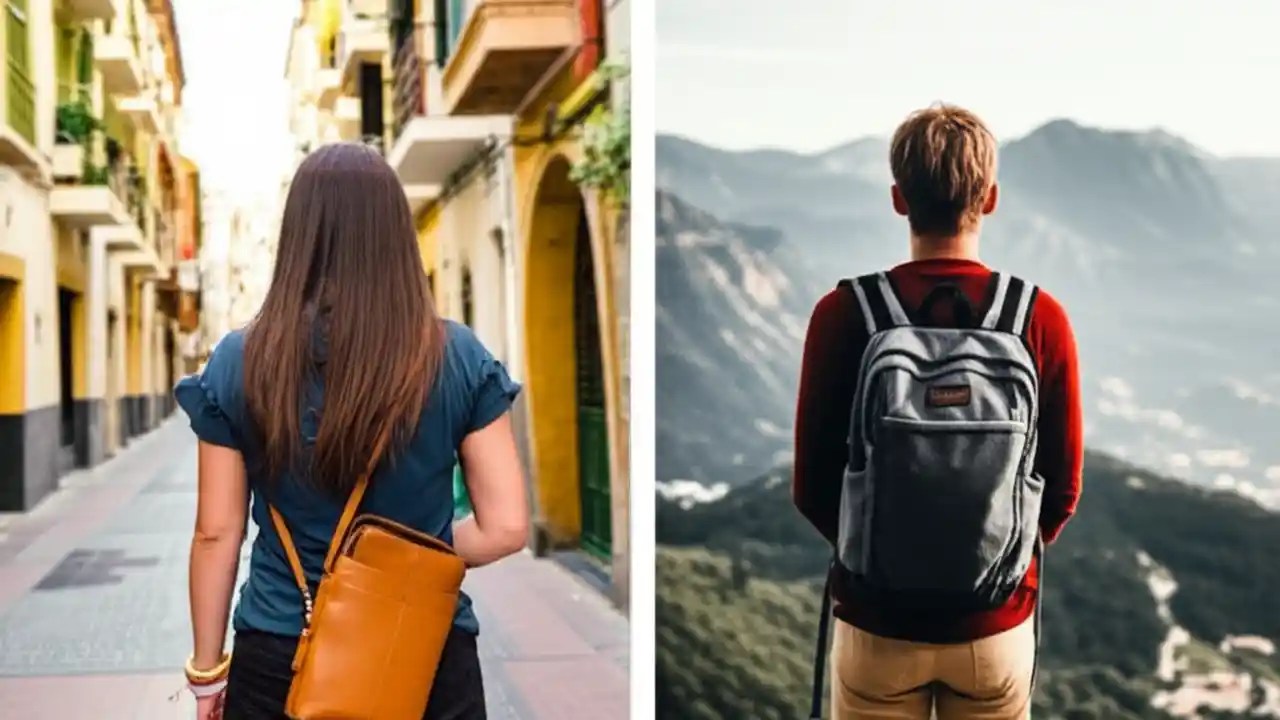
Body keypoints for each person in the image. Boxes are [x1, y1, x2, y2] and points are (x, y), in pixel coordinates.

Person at [175, 142, 529, 720]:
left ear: (299, 236)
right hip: (421, 649)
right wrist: (398, 559)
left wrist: (208, 673)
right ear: (394, 235)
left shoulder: (240, 361)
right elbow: (507, 526)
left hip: (278, 651)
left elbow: (216, 533)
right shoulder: (456, 357)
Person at [792, 104, 1083, 719]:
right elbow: (1061, 488)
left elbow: (812, 486)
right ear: (992, 198)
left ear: (899, 198)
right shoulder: (1038, 318)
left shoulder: (844, 314)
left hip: (877, 627)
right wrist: (990, 563)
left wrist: (878, 558)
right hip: (994, 629)